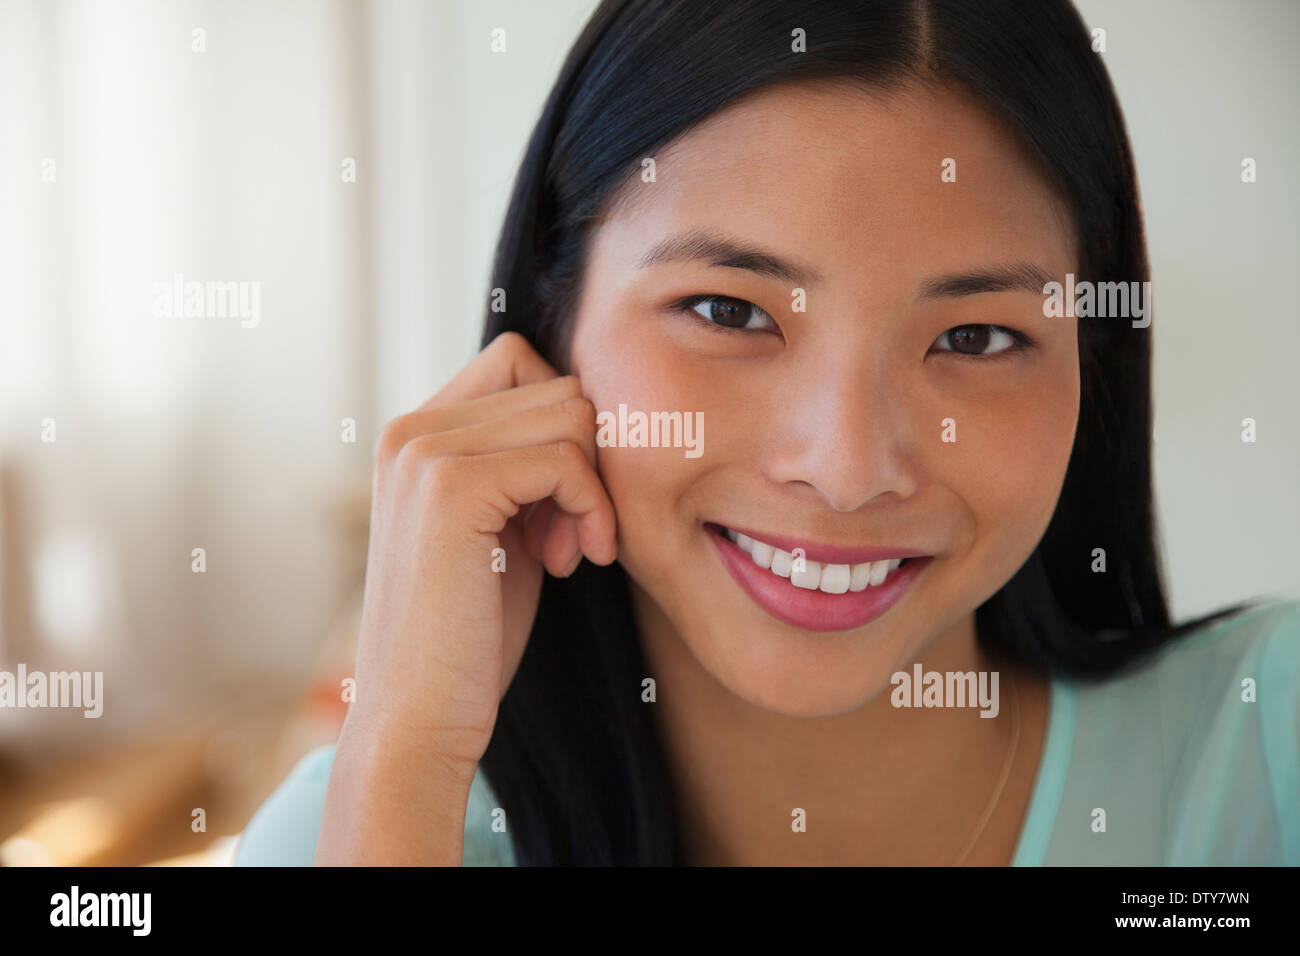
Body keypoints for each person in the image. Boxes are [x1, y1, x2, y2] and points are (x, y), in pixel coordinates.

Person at [234, 0, 1299, 866]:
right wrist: (404, 757)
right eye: (731, 312)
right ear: (550, 321)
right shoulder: (367, 827)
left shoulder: (1268, 746)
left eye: (975, 335)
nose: (844, 468)